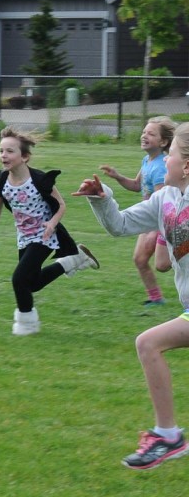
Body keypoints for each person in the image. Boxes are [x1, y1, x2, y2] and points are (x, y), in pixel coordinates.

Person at [75, 122, 189, 469]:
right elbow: (120, 225)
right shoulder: (164, 198)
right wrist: (102, 197)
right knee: (148, 344)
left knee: (147, 343)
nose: (163, 163)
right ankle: (167, 436)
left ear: (186, 165)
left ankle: (167, 436)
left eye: (169, 155)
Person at [0, 126, 101, 335]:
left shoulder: (39, 180)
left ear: (25, 157)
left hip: (46, 235)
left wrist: (52, 224)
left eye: (10, 151)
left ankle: (26, 325)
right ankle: (74, 260)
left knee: (18, 279)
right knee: (32, 283)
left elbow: (62, 205)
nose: (3, 155)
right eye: (1, 151)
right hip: (24, 236)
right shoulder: (2, 180)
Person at [99, 116, 177, 306]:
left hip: (158, 221)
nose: (144, 136)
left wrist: (157, 230)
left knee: (162, 264)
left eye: (151, 134)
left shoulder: (161, 167)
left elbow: (162, 203)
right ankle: (156, 298)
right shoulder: (146, 160)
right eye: (144, 132)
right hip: (148, 219)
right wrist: (117, 177)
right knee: (140, 259)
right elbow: (136, 185)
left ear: (163, 142)